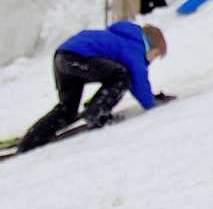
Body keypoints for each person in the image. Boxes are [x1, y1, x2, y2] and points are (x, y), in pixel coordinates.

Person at [18, 22, 171, 152]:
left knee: (67, 109)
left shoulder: (123, 37)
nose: (152, 60)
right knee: (122, 75)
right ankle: (96, 113)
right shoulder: (135, 45)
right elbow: (138, 78)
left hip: (63, 57)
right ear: (151, 46)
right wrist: (151, 103)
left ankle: (31, 141)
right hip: (77, 58)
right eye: (156, 55)